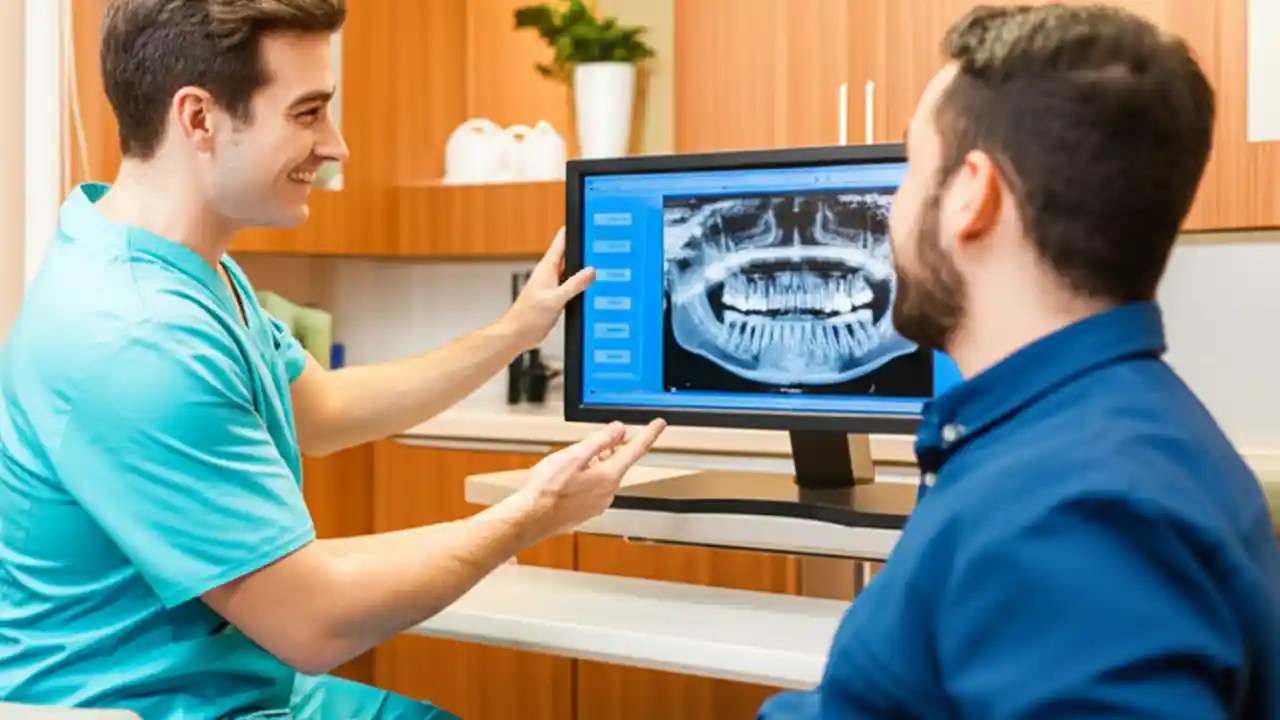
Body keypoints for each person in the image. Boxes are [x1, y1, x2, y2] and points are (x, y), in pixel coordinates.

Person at [0, 0, 665, 717]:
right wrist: (528, 517)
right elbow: (312, 624)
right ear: (198, 118)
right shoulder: (137, 334)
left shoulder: (178, 266)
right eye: (308, 112)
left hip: (231, 684)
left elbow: (323, 410)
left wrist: (513, 332)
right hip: (151, 705)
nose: (337, 146)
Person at [759, 4, 1280, 718]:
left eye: (911, 170)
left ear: (972, 195)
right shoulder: (1069, 439)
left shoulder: (1079, 511)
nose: (892, 213)